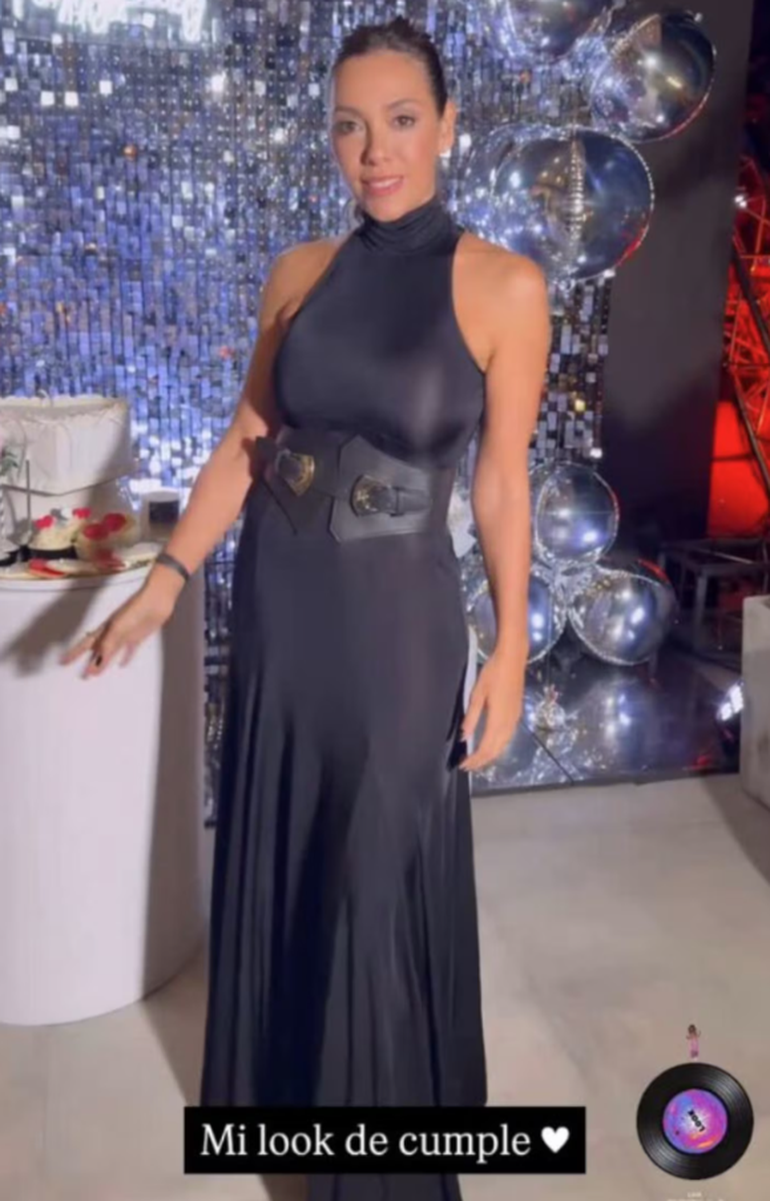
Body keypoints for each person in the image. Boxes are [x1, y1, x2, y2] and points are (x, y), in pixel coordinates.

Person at [60, 15, 551, 1201]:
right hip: (284, 603)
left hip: (397, 628)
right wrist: (164, 582)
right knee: (291, 850)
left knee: (373, 871)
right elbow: (247, 440)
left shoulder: (504, 285)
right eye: (348, 125)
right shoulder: (298, 274)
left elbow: (499, 482)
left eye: (399, 120)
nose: (373, 150)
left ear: (446, 125)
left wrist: (510, 645)